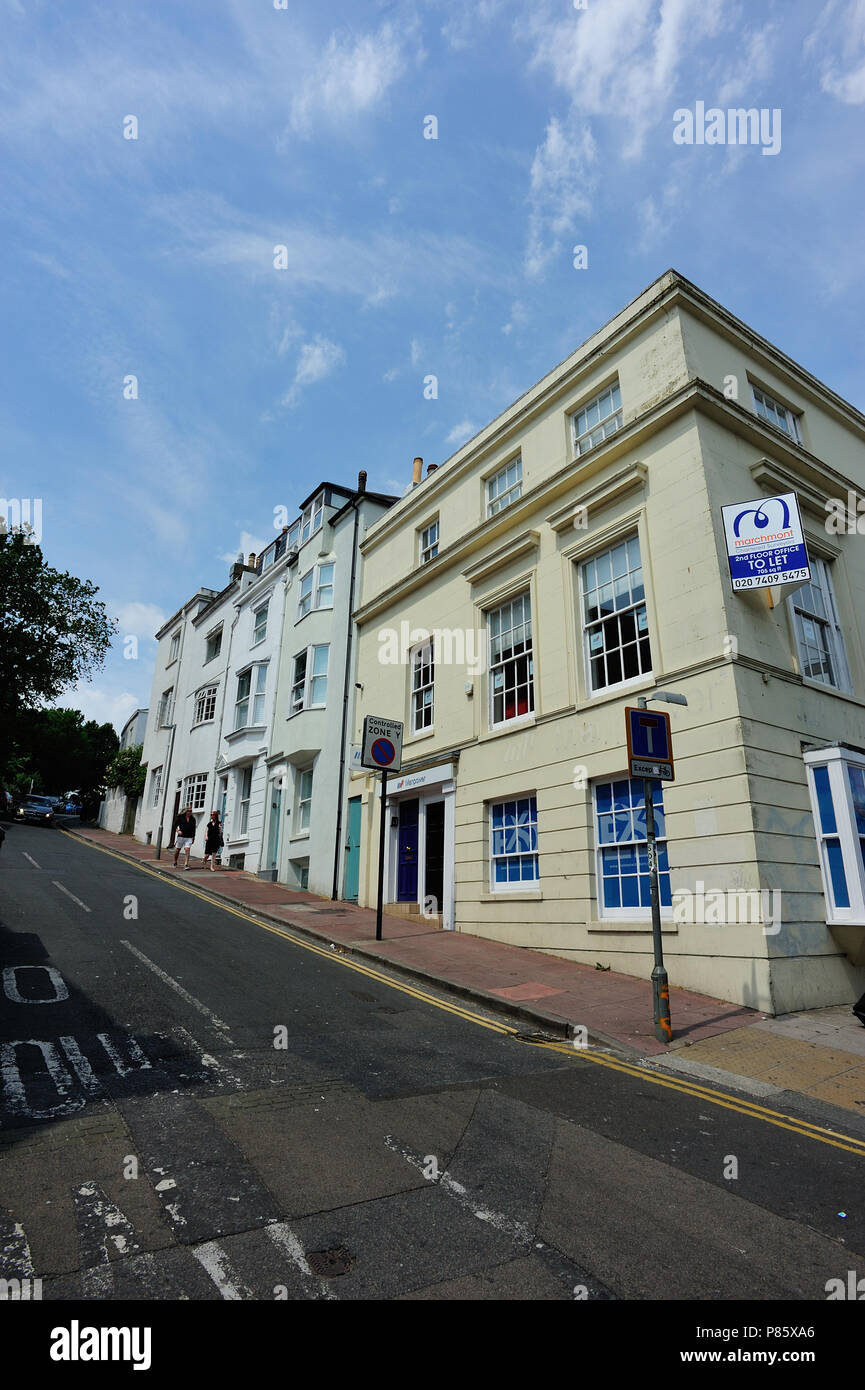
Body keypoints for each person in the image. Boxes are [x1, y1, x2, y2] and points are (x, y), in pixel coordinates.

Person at [172, 805, 197, 869]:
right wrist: (178, 831)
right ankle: (175, 861)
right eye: (188, 811)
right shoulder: (180, 817)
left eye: (190, 811)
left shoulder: (193, 819)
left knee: (187, 850)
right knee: (178, 850)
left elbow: (194, 829)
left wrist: (193, 837)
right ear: (185, 811)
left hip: (189, 837)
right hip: (181, 836)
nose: (189, 812)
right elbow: (174, 825)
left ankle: (186, 864)